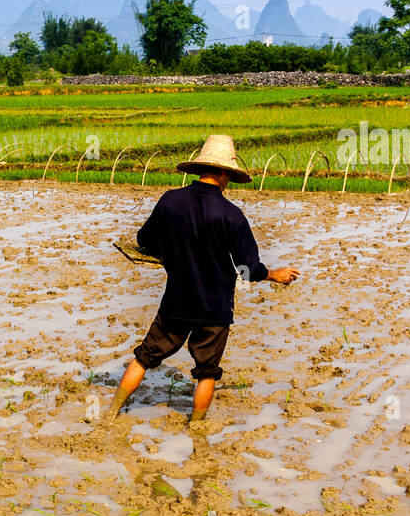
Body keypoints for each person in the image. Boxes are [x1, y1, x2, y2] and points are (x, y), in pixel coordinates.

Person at [106, 134, 300, 423]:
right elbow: (248, 269)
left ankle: (110, 414)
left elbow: (143, 239)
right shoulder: (231, 215)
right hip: (215, 307)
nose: (229, 181)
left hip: (176, 302)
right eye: (230, 175)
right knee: (207, 371)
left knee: (144, 357)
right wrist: (275, 275)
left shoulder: (171, 201)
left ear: (200, 169)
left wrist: (169, 249)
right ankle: (196, 430)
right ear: (224, 173)